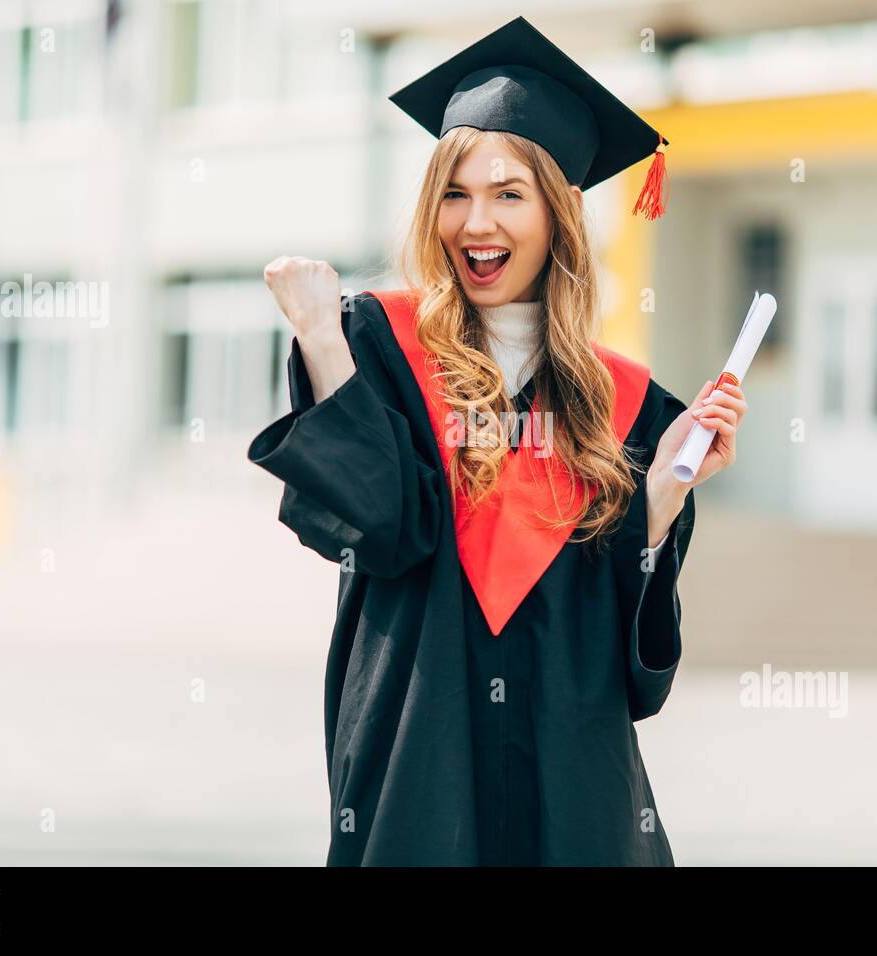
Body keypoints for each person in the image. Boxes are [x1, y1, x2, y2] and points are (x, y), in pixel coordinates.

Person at [247, 16, 747, 866]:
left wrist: (658, 502)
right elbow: (378, 528)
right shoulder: (376, 345)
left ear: (557, 214)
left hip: (575, 792)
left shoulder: (624, 405)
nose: (477, 222)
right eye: (456, 193)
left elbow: (631, 677)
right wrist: (320, 339)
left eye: (509, 194)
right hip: (416, 769)